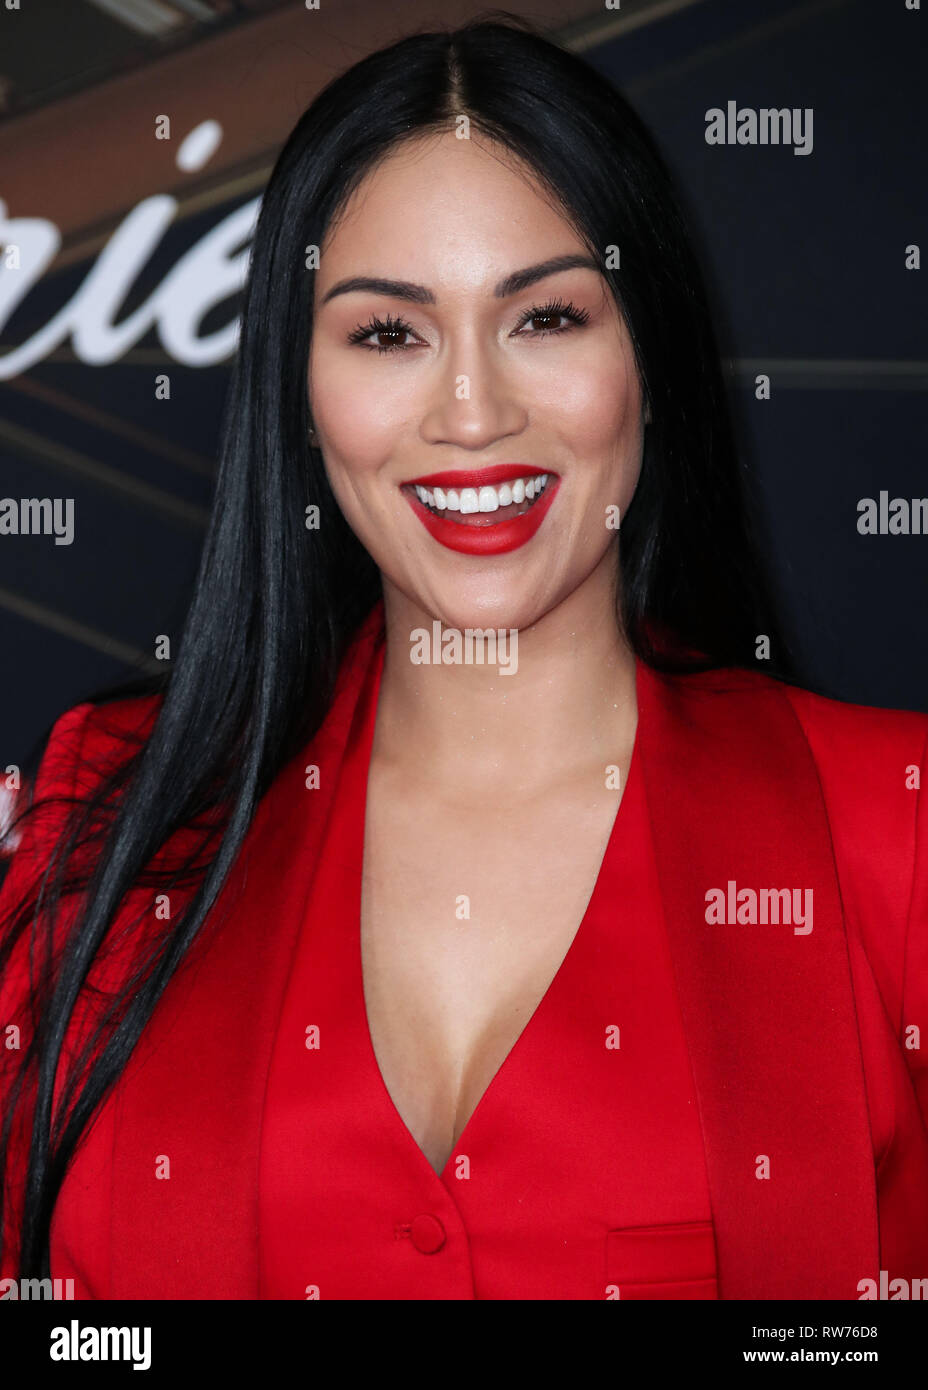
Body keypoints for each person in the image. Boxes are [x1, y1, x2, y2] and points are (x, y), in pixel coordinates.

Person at [1, 16, 925, 1302]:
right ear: (298, 387)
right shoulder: (99, 827)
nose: (473, 413)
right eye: (388, 333)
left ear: (646, 361)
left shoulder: (893, 827)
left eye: (545, 316)